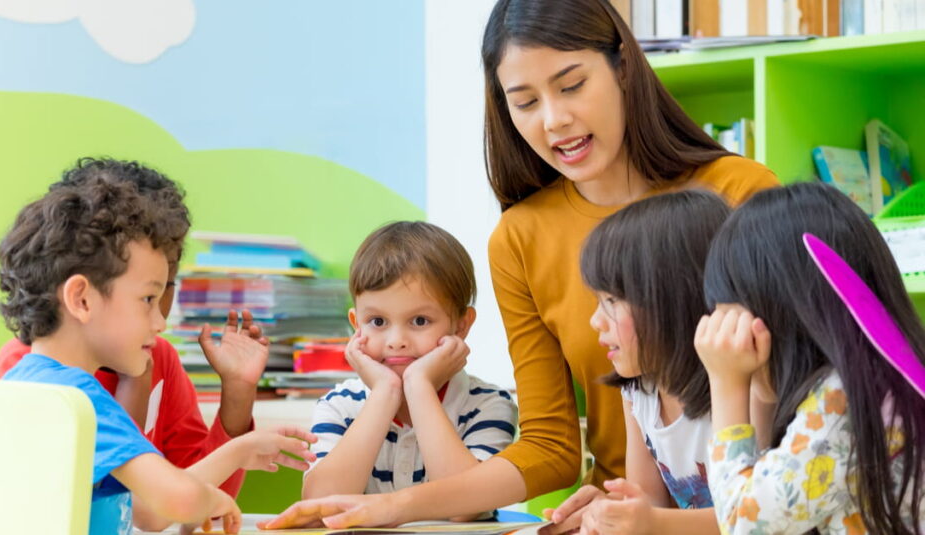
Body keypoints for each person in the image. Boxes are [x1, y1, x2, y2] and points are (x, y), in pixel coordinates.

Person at [264, 0, 777, 528]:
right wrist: (390, 507)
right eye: (525, 101)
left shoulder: (739, 193)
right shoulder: (519, 236)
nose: (554, 120)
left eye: (572, 84)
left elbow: (797, 403)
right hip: (619, 512)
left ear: (623, 66)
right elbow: (552, 444)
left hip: (753, 506)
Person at [0, 176, 316, 534]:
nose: (160, 322)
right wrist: (212, 500)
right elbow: (176, 500)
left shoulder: (22, 385)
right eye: (148, 299)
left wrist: (240, 451)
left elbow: (147, 512)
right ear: (82, 299)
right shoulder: (79, 400)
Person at [695, 182, 925, 534]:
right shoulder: (883, 374)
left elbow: (746, 524)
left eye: (737, 325)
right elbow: (767, 481)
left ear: (784, 315)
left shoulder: (843, 400)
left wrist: (727, 384)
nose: (733, 343)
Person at [543, 190, 736, 535]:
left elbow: (757, 518)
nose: (595, 321)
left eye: (612, 300)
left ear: (674, 298)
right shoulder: (639, 390)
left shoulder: (737, 386)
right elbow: (649, 507)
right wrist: (608, 512)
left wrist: (650, 521)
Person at [302, 222, 517, 521]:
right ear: (356, 323)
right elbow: (320, 507)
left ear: (461, 325)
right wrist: (385, 393)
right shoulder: (340, 404)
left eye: (419, 321)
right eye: (377, 322)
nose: (396, 342)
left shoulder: (489, 404)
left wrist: (419, 387)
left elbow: (467, 510)